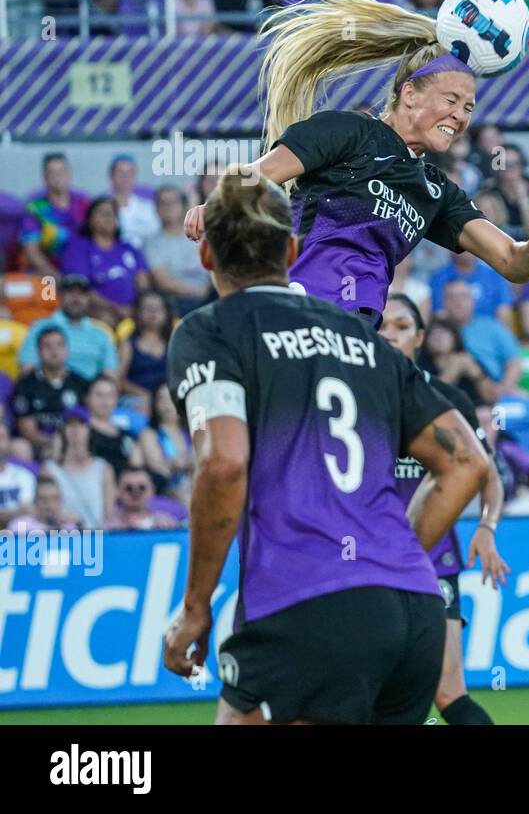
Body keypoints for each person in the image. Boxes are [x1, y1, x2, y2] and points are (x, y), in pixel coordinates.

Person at [161, 170, 490, 725]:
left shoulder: (209, 331)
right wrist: (387, 559)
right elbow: (467, 462)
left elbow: (222, 463)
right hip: (413, 607)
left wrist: (196, 608)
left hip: (307, 607)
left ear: (207, 256)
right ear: (291, 250)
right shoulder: (364, 340)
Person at [183, 0, 529, 326]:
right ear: (410, 94)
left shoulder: (436, 192)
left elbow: (512, 262)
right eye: (451, 100)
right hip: (300, 304)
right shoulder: (350, 132)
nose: (460, 116)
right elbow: (258, 175)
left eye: (468, 108)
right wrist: (216, 205)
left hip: (361, 327)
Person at [379, 293, 509, 725]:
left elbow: (487, 473)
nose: (389, 334)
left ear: (420, 336)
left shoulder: (445, 398)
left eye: (400, 326)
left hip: (433, 559)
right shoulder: (351, 397)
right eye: (381, 326)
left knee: (449, 692)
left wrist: (487, 527)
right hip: (365, 559)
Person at [60, 196, 150, 326]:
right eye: (103, 213)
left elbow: (143, 283)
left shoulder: (129, 248)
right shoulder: (78, 248)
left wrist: (139, 308)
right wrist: (115, 308)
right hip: (97, 309)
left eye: (112, 213)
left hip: (133, 310)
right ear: (90, 220)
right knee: (105, 319)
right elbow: (81, 287)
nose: (109, 217)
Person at [17, 274, 117, 382]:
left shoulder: (101, 332)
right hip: (50, 392)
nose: (76, 298)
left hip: (90, 394)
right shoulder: (40, 327)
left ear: (88, 298)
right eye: (70, 292)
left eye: (81, 293)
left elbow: (110, 375)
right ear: (60, 295)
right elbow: (27, 369)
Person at [12, 328, 90, 456]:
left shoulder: (80, 383)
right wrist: (54, 443)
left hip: (75, 444)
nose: (54, 351)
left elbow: (88, 421)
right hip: (40, 446)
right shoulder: (25, 384)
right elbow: (27, 429)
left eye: (59, 345)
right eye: (47, 346)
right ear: (39, 352)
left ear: (67, 350)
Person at [440, 280, 523, 398]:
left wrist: (504, 390)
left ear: (473, 301)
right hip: (450, 391)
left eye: (463, 296)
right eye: (451, 297)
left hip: (492, 389)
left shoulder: (492, 327)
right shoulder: (436, 329)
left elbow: (514, 362)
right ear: (443, 302)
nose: (457, 302)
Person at [144, 185, 211, 316]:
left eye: (173, 202)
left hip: (210, 295)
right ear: (156, 209)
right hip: (177, 300)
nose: (169, 207)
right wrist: (199, 292)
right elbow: (163, 281)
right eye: (163, 203)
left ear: (183, 206)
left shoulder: (203, 236)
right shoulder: (152, 243)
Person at [20, 153, 91, 276]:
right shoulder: (35, 209)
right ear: (44, 177)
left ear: (69, 175)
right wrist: (55, 276)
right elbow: (32, 251)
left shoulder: (84, 204)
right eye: (52, 173)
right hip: (49, 274)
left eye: (61, 171)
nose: (57, 177)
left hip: (84, 272)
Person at [43, 407, 112, 529]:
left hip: (96, 538)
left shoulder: (103, 468)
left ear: (89, 429)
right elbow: (44, 510)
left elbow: (109, 513)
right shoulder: (50, 469)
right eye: (70, 424)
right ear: (63, 430)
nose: (75, 429)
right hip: (62, 535)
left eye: (81, 424)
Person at [137, 383, 193, 502]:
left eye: (172, 398)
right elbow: (158, 469)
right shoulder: (149, 434)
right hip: (166, 492)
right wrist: (179, 463)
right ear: (155, 404)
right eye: (162, 399)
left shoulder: (191, 433)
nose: (168, 404)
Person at [429, 249, 516, 324]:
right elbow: (439, 314)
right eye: (462, 246)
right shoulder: (438, 278)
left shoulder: (494, 275)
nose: (467, 250)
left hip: (488, 330)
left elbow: (504, 310)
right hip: (453, 331)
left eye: (470, 246)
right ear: (450, 250)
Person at [419, 317, 491, 407]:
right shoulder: (419, 365)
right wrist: (453, 369)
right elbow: (427, 401)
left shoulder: (468, 358)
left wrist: (477, 375)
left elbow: (492, 397)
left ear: (455, 337)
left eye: (444, 332)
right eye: (433, 333)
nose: (438, 337)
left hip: (474, 414)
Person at [119, 290, 173, 407]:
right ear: (138, 313)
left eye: (158, 308)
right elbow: (118, 380)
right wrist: (141, 393)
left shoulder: (173, 346)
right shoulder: (127, 345)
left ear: (166, 313)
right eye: (147, 308)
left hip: (165, 401)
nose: (153, 313)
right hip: (135, 400)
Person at [84, 374, 143, 479]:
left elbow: (137, 465)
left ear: (117, 400)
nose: (105, 401)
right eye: (99, 395)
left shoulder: (126, 435)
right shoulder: (81, 430)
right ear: (87, 398)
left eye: (110, 395)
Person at [107, 155, 161, 249]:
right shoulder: (103, 210)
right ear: (111, 176)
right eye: (120, 173)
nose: (125, 177)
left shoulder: (148, 207)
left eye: (130, 173)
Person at [104, 467, 181, 531]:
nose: (135, 493)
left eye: (142, 488)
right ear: (118, 491)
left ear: (152, 490)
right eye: (129, 488)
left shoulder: (167, 523)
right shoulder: (108, 527)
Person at [5, 472, 81, 534]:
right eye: (43, 499)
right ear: (35, 501)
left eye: (54, 498)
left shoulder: (70, 526)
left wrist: (79, 524)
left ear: (61, 501)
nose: (49, 504)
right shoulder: (20, 526)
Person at [0, 420, 38, 528]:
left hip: (18, 537)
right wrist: (15, 512)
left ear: (9, 442)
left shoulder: (24, 476)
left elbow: (28, 510)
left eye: (2, 437)